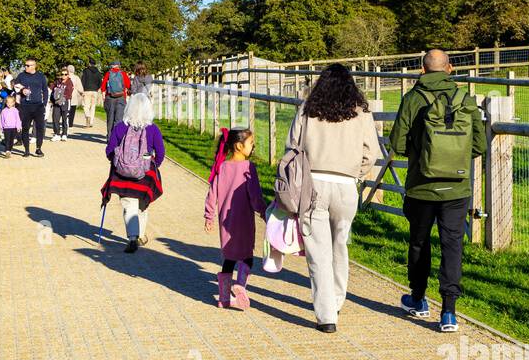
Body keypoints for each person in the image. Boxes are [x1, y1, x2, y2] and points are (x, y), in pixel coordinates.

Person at [389, 49, 486, 334]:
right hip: (457, 188)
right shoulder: (464, 100)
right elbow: (479, 146)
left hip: (421, 187)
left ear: (422, 70)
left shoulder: (413, 99)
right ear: (450, 69)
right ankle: (449, 312)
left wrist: (421, 156)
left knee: (419, 243)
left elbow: (398, 142)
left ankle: (418, 299)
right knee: (452, 244)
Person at [285, 63, 380, 333]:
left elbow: (292, 146)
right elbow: (371, 152)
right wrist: (356, 173)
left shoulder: (307, 109)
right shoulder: (360, 112)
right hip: (346, 185)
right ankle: (337, 299)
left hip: (313, 183)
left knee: (318, 252)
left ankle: (326, 314)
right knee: (340, 245)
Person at [204, 127, 267, 310]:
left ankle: (223, 298)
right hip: (244, 222)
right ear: (239, 146)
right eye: (251, 144)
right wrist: (263, 212)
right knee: (246, 257)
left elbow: (212, 194)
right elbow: (255, 196)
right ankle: (240, 287)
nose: (253, 147)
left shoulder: (222, 167)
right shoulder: (248, 167)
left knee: (229, 257)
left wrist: (209, 216)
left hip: (226, 221)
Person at [102, 92, 165, 253]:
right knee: (142, 204)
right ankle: (140, 235)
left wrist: (116, 162)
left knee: (129, 204)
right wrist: (152, 165)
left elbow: (110, 149)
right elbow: (161, 152)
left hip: (123, 172)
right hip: (145, 172)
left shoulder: (121, 127)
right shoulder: (152, 129)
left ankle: (132, 237)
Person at [13, 57, 50, 157]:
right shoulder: (21, 75)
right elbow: (15, 85)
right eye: (25, 65)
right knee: (25, 128)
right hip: (25, 106)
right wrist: (22, 90)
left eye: (28, 65)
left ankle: (38, 149)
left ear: (34, 66)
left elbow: (45, 90)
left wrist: (45, 103)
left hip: (38, 106)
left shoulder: (40, 76)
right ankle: (26, 150)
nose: (26, 67)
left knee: (40, 128)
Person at [101, 60, 132, 134]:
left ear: (112, 66)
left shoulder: (108, 74)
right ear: (119, 66)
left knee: (110, 119)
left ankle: (109, 137)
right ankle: (116, 138)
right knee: (119, 119)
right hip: (121, 98)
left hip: (110, 98)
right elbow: (128, 85)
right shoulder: (123, 74)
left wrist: (103, 97)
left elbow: (103, 87)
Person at [50, 68, 74, 141]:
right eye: (62, 74)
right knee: (55, 118)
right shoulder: (57, 81)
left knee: (65, 118)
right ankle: (57, 134)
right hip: (56, 103)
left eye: (65, 74)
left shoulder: (69, 82)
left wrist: (61, 95)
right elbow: (52, 87)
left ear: (68, 75)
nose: (63, 76)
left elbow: (69, 92)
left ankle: (64, 134)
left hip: (65, 102)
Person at [80, 61, 103, 128]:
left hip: (87, 90)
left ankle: (88, 115)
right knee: (93, 107)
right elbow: (100, 82)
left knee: (85, 105)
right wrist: (96, 88)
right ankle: (91, 122)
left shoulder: (86, 71)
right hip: (95, 91)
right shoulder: (98, 72)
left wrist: (83, 89)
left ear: (89, 64)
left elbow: (83, 80)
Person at [66, 64, 85, 128]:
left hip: (66, 96)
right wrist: (82, 92)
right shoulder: (76, 77)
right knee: (72, 111)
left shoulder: (65, 76)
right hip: (73, 96)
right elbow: (80, 87)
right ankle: (70, 124)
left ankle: (65, 122)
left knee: (66, 110)